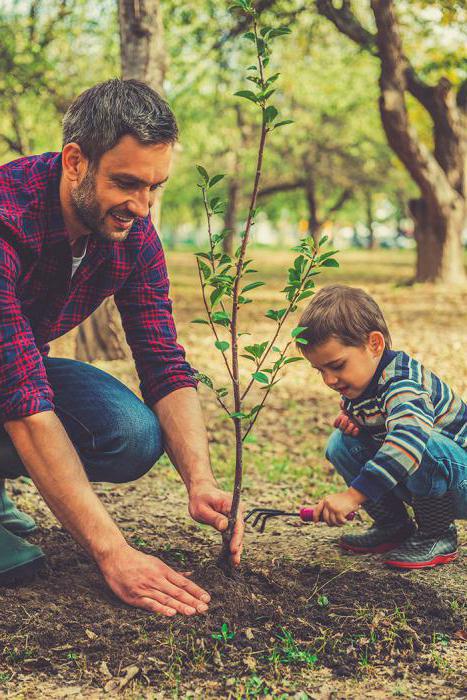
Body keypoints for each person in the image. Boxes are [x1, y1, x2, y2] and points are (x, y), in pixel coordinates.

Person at [0, 79, 243, 615]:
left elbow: (164, 361)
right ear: (75, 161)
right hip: (7, 380)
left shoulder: (131, 233)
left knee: (130, 434)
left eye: (155, 186)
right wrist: (114, 553)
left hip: (10, 372)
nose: (141, 205)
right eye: (127, 183)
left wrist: (199, 481)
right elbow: (21, 398)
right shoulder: (7, 216)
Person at [297, 284, 466, 569]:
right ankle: (394, 526)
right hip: (424, 480)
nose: (328, 380)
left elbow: (408, 441)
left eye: (337, 366)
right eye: (320, 370)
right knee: (341, 444)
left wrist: (353, 497)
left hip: (460, 483)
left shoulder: (403, 383)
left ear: (374, 344)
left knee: (418, 443)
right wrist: (360, 429)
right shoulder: (363, 383)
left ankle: (437, 534)